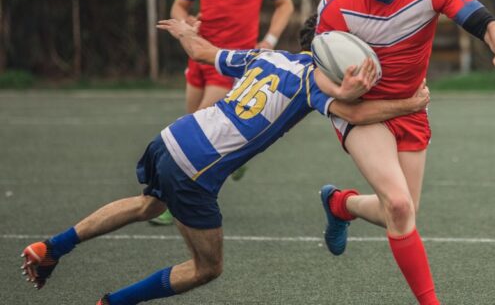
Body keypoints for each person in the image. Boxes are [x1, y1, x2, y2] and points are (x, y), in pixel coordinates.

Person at [19, 16, 430, 305]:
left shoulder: (264, 57)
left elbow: (203, 53)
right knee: (207, 267)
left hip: (171, 137)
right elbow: (355, 114)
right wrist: (410, 102)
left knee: (149, 204)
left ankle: (52, 247)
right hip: (196, 167)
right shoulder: (312, 81)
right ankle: (115, 302)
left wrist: (184, 32)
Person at [314, 0, 495, 304]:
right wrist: (339, 91)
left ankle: (339, 204)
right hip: (362, 109)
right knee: (398, 204)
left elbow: (487, 23)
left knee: (401, 211)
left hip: (412, 107)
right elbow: (318, 69)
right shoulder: (337, 0)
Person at [151, 0, 295, 225]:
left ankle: (170, 203)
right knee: (189, 128)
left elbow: (285, 5)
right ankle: (235, 161)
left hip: (230, 63)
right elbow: (178, 8)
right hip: (198, 57)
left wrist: (269, 40)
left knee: (192, 136)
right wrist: (186, 25)